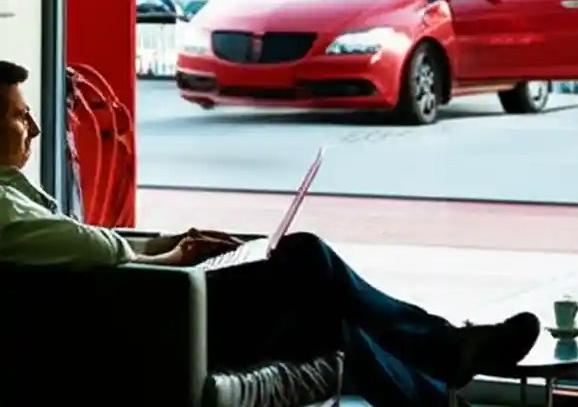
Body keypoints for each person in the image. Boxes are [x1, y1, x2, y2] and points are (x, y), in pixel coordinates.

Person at [0, 60, 539, 406]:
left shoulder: (14, 188)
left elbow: (97, 248)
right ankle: (448, 349)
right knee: (306, 257)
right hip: (151, 323)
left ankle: (442, 390)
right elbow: (97, 253)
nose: (37, 128)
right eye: (21, 117)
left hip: (151, 302)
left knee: (328, 317)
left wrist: (175, 242)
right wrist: (176, 257)